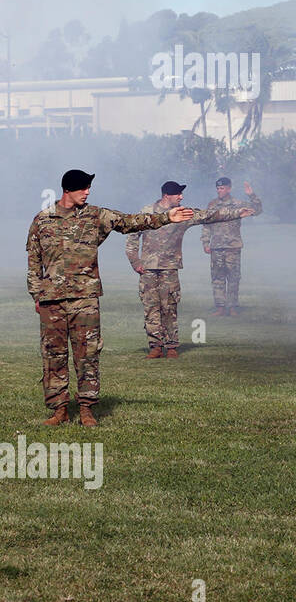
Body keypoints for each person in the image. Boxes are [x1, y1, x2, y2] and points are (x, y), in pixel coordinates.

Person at [26, 169, 195, 426]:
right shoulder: (42, 220)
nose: (88, 192)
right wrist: (36, 295)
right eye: (83, 188)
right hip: (52, 301)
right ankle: (59, 409)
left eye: (88, 188)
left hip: (85, 298)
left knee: (88, 355)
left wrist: (166, 218)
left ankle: (86, 409)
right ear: (68, 190)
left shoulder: (96, 216)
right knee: (53, 356)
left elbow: (131, 221)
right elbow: (33, 260)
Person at [126, 181, 254, 358]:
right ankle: (155, 346)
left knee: (169, 307)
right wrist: (134, 261)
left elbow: (211, 215)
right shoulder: (146, 212)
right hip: (148, 269)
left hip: (170, 268)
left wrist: (237, 213)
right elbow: (132, 236)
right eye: (178, 194)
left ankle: (171, 346)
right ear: (166, 196)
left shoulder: (184, 213)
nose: (181, 197)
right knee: (151, 307)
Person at [201, 177, 262, 316]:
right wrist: (205, 242)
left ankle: (232, 306)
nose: (219, 191)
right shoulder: (212, 204)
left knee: (233, 277)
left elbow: (257, 210)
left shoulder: (238, 204)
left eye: (222, 188)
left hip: (232, 247)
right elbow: (206, 224)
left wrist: (251, 194)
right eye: (218, 188)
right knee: (217, 278)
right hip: (216, 246)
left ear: (229, 188)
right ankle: (220, 307)